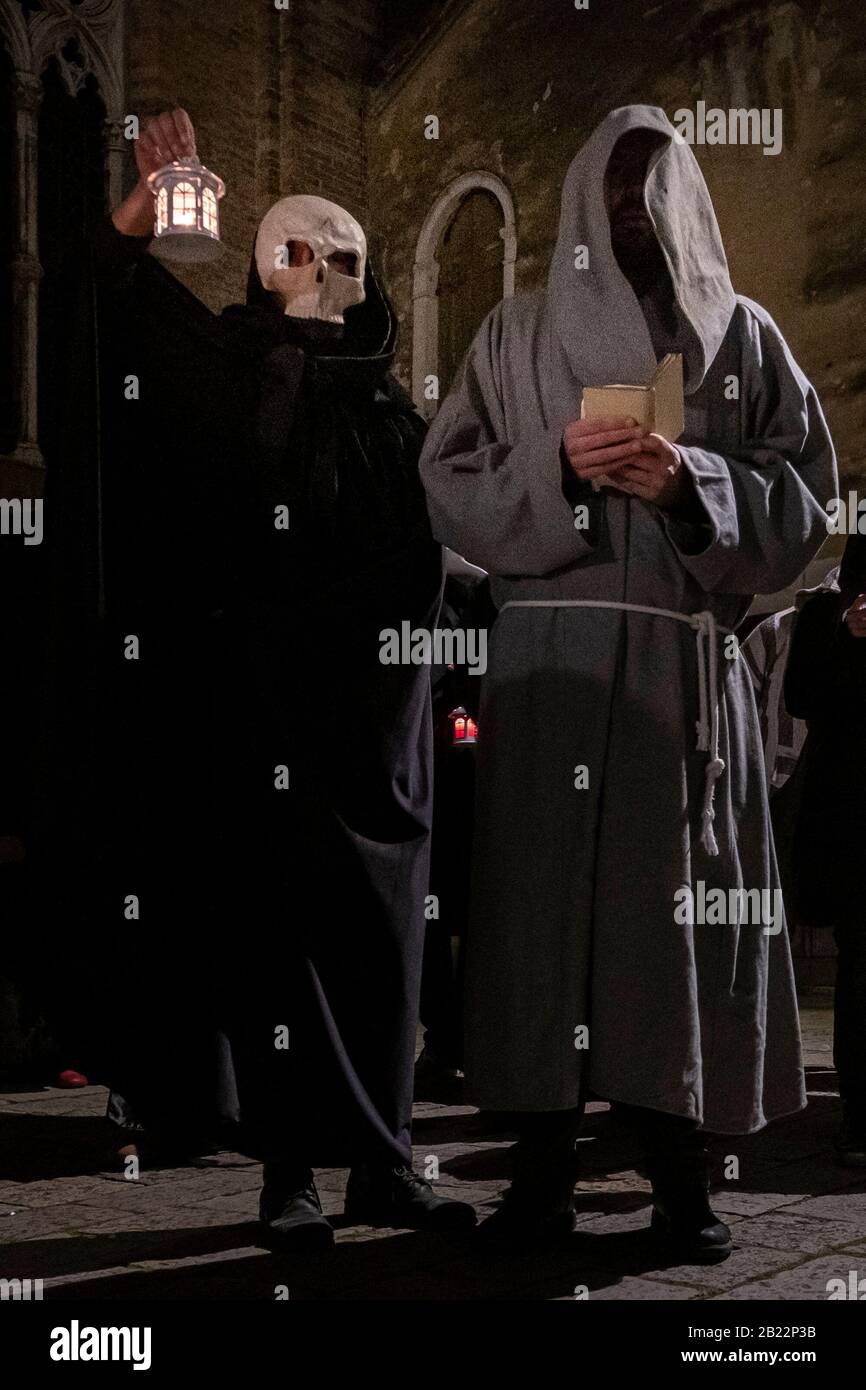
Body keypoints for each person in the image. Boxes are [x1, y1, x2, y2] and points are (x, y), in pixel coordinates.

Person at [419, 104, 837, 1259]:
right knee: (540, 930)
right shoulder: (511, 333)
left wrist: (692, 481)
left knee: (673, 935)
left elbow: (804, 497)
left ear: (680, 199)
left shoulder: (744, 338)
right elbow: (447, 480)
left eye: (649, 187)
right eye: (611, 186)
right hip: (549, 675)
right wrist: (553, 466)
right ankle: (538, 1181)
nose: (628, 211)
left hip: (675, 677)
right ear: (580, 196)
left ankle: (680, 1186)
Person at [55, 107, 474, 1248]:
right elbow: (100, 307)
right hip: (265, 717)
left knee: (384, 949)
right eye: (299, 253)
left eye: (346, 259)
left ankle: (383, 1162)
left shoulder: (393, 413)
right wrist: (141, 213)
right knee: (278, 946)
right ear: (259, 265)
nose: (326, 277)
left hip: (377, 728)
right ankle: (288, 1173)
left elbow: (430, 555)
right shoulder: (223, 374)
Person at [784, 534, 866, 1166]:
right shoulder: (824, 612)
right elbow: (803, 699)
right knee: (860, 959)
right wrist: (847, 639)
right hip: (852, 812)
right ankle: (859, 1115)